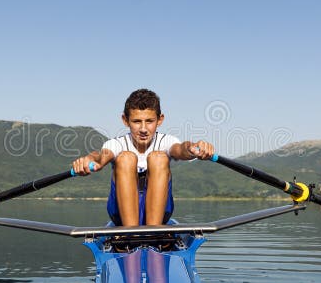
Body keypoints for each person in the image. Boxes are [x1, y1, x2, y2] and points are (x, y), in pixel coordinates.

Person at [71, 89, 214, 226]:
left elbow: (181, 149)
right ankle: (129, 233)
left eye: (149, 121)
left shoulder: (166, 141)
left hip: (160, 214)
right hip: (120, 215)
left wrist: (193, 148)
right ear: (125, 120)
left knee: (158, 157)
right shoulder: (115, 144)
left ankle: (154, 231)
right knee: (126, 158)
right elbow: (100, 157)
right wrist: (89, 160)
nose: (144, 129)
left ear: (160, 120)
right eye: (137, 121)